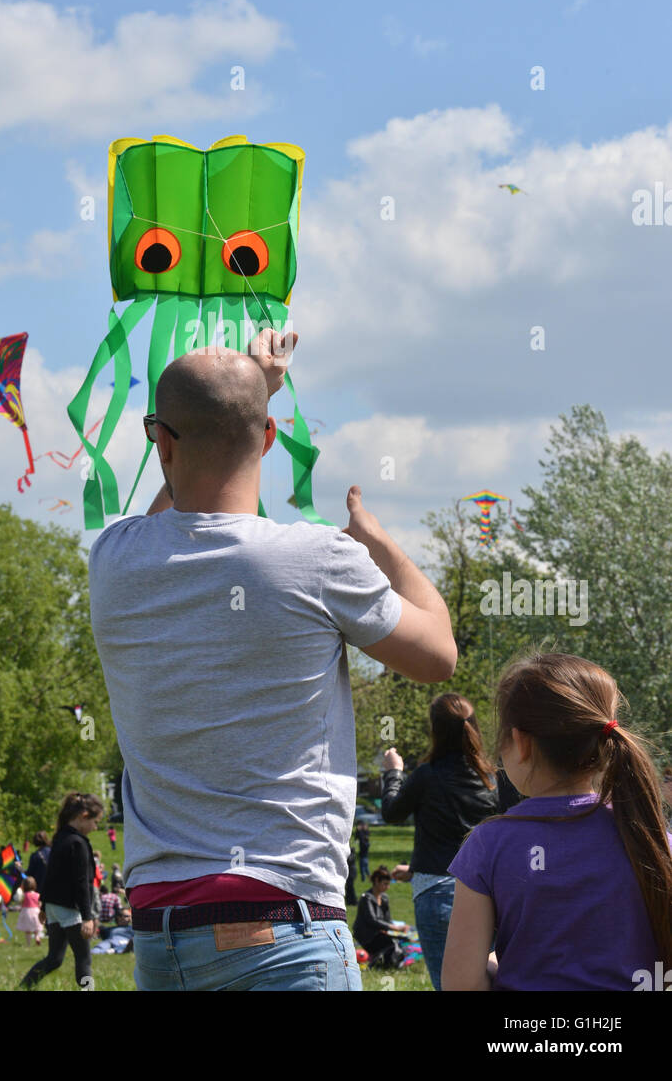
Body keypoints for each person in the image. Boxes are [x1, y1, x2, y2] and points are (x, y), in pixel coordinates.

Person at [86, 331, 455, 992]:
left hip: (160, 934)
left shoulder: (116, 561)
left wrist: (243, 392)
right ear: (269, 439)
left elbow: (169, 526)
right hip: (284, 926)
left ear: (160, 442)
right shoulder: (317, 559)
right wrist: (378, 544)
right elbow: (438, 654)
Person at [442, 652, 672, 991]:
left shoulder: (489, 844)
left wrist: (498, 966)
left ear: (521, 743)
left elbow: (461, 983)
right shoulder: (655, 840)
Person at [379, 692, 499, 991]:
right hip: (489, 894)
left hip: (436, 892)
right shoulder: (493, 780)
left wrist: (393, 773)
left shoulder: (426, 776)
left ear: (436, 731)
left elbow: (392, 812)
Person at [18, 792, 104, 990]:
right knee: (84, 958)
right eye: (95, 821)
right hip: (71, 910)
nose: (95, 827)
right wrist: (87, 916)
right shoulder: (79, 843)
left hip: (55, 908)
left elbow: (50, 875)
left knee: (54, 958)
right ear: (84, 816)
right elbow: (83, 883)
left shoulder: (59, 838)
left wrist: (44, 905)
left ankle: (23, 987)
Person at [352, 867, 417, 970]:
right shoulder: (366, 898)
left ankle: (393, 961)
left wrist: (397, 929)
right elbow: (372, 920)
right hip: (366, 936)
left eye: (388, 884)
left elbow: (387, 920)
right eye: (385, 884)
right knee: (391, 943)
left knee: (404, 939)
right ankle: (386, 964)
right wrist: (395, 928)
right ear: (377, 881)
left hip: (380, 933)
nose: (388, 887)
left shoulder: (384, 898)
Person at [18, 877, 44, 945]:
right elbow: (40, 904)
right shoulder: (37, 895)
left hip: (26, 912)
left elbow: (21, 903)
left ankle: (28, 943)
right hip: (36, 912)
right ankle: (37, 938)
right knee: (36, 928)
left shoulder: (24, 895)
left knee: (28, 930)